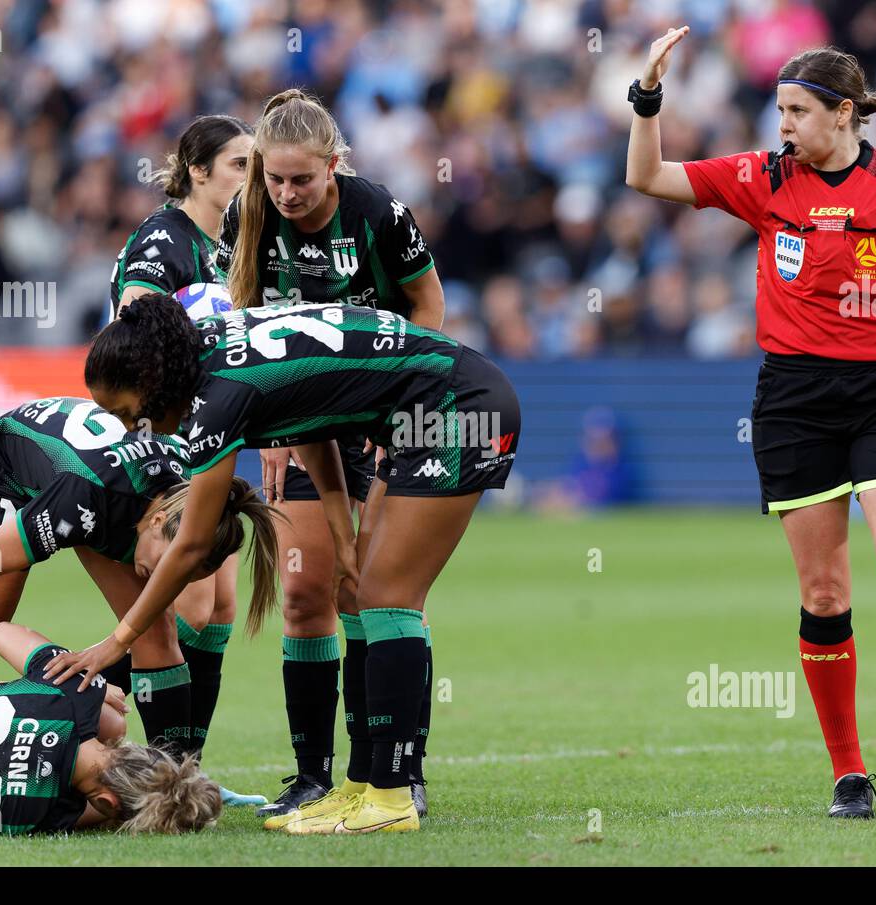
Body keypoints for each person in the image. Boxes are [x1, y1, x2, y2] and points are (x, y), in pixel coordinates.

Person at [627, 33, 876, 818]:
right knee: (825, 593)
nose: (783, 125)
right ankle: (848, 772)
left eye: (797, 112)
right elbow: (645, 175)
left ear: (842, 113)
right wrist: (648, 96)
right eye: (779, 110)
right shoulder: (761, 178)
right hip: (793, 400)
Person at [45, 293, 520, 835]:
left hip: (458, 407)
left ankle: (391, 798)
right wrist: (342, 531)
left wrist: (120, 638)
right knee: (362, 592)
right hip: (429, 408)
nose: (133, 428)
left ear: (152, 378)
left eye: (127, 411)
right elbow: (311, 417)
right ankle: (362, 787)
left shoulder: (215, 398)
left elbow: (194, 543)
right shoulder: (214, 352)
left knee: (388, 596)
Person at [218, 89, 445, 820]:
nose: (286, 194)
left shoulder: (378, 212)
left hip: (387, 408)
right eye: (274, 179)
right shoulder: (246, 216)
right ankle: (314, 774)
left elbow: (429, 304)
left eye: (302, 180)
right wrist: (274, 429)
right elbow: (248, 320)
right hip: (304, 414)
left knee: (376, 591)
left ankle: (389, 769)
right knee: (309, 590)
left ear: (334, 166)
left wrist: (403, 404)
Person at [0, 396, 278, 786]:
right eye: (165, 567)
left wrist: (110, 654)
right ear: (158, 521)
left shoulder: (188, 497)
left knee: (158, 630)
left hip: (107, 493)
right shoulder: (87, 498)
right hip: (12, 472)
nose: (164, 580)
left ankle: (172, 784)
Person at [109, 115, 255, 756]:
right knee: (190, 606)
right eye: (239, 166)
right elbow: (132, 335)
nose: (251, 180)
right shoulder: (162, 240)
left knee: (218, 606)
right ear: (198, 171)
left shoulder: (232, 243)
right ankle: (103, 717)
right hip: (156, 435)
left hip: (203, 432)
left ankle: (185, 766)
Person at [0, 620, 222, 835]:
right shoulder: (47, 813)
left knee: (110, 717)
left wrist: (84, 681)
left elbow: (1, 631)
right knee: (106, 720)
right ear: (106, 801)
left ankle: (21, 697)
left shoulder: (73, 696)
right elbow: (97, 808)